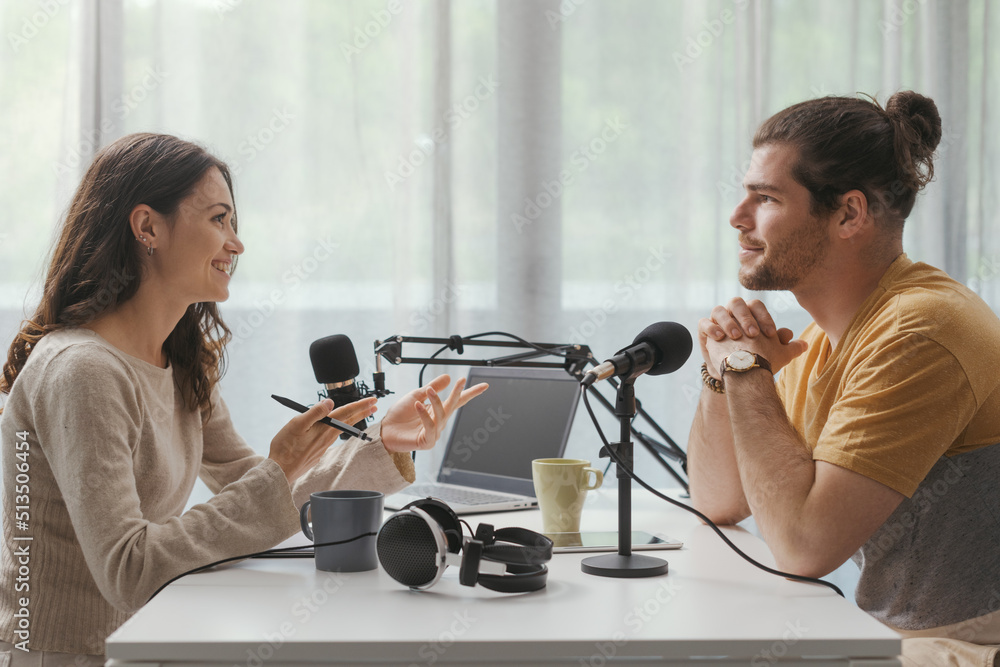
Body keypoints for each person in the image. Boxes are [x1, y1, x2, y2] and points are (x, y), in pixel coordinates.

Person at [0, 133, 488, 664]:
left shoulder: (180, 364)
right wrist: (276, 471)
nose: (236, 244)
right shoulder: (83, 371)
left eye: (234, 223)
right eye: (218, 220)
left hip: (143, 642)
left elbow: (269, 499)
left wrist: (380, 444)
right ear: (147, 227)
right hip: (62, 655)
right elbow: (130, 569)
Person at [687, 91, 1000, 666]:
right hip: (884, 636)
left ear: (849, 214)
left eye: (766, 197)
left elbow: (805, 546)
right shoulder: (819, 342)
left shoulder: (920, 330)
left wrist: (746, 368)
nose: (737, 216)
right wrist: (723, 371)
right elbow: (717, 501)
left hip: (967, 645)